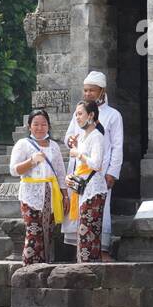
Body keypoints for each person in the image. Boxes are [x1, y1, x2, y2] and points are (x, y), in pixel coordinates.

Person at [64, 71, 123, 260]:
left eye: (92, 90)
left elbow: (117, 145)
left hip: (99, 171)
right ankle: (82, 250)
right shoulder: (78, 112)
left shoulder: (113, 115)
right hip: (79, 170)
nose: (88, 93)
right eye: (85, 90)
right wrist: (70, 140)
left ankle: (102, 250)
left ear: (102, 90)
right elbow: (68, 137)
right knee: (79, 210)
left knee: (98, 211)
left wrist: (113, 172)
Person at [9, 109, 67, 265]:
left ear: (48, 126)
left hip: (50, 193)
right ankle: (29, 267)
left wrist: (65, 195)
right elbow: (14, 170)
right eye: (36, 124)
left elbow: (60, 172)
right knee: (33, 230)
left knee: (47, 232)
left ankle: (45, 265)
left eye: (43, 124)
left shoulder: (54, 146)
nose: (40, 128)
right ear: (29, 126)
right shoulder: (23, 145)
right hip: (30, 193)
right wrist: (31, 161)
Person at [64, 100, 108, 262]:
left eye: (80, 114)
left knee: (88, 234)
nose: (77, 117)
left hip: (94, 190)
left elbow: (96, 164)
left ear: (91, 115)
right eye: (76, 114)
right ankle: (86, 268)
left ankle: (89, 269)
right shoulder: (82, 137)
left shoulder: (97, 136)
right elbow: (80, 166)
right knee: (83, 234)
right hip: (83, 188)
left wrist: (78, 154)